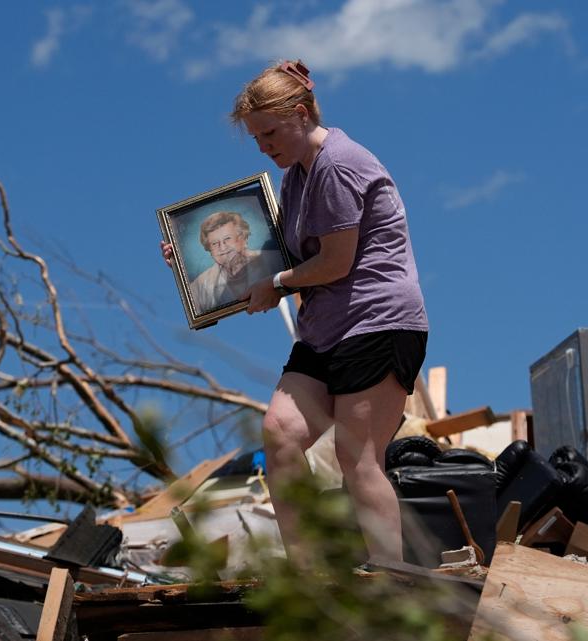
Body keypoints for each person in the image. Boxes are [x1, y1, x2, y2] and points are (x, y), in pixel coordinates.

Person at [165, 59, 428, 568]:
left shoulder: (338, 165)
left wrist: (277, 282)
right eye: (256, 138)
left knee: (357, 457)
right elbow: (281, 257)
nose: (264, 146)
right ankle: (310, 578)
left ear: (302, 113)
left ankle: (392, 579)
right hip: (325, 330)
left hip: (376, 322)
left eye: (269, 132)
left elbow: (334, 262)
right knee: (280, 432)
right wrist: (189, 261)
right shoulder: (295, 178)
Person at [189, 210, 285, 315]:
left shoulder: (275, 260)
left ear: (243, 238)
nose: (222, 247)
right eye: (215, 243)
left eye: (227, 239)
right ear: (209, 250)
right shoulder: (199, 287)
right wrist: (178, 264)